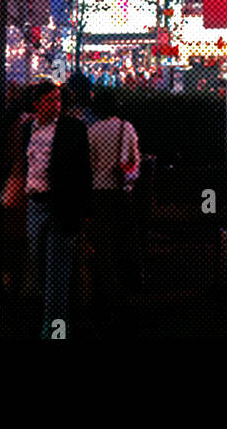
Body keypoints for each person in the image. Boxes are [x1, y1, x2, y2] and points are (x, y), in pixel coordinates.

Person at [10, 79, 93, 338]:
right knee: (42, 269)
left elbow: (83, 171)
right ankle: (55, 323)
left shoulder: (73, 129)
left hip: (61, 205)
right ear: (36, 104)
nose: (55, 105)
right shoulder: (27, 131)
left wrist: (84, 210)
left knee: (57, 272)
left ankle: (55, 329)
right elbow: (24, 163)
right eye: (48, 100)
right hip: (35, 205)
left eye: (57, 99)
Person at [86, 88, 142, 303]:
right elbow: (134, 159)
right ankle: (132, 276)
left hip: (99, 190)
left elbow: (90, 163)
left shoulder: (93, 130)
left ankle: (107, 282)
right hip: (122, 190)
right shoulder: (125, 128)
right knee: (126, 234)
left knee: (103, 237)